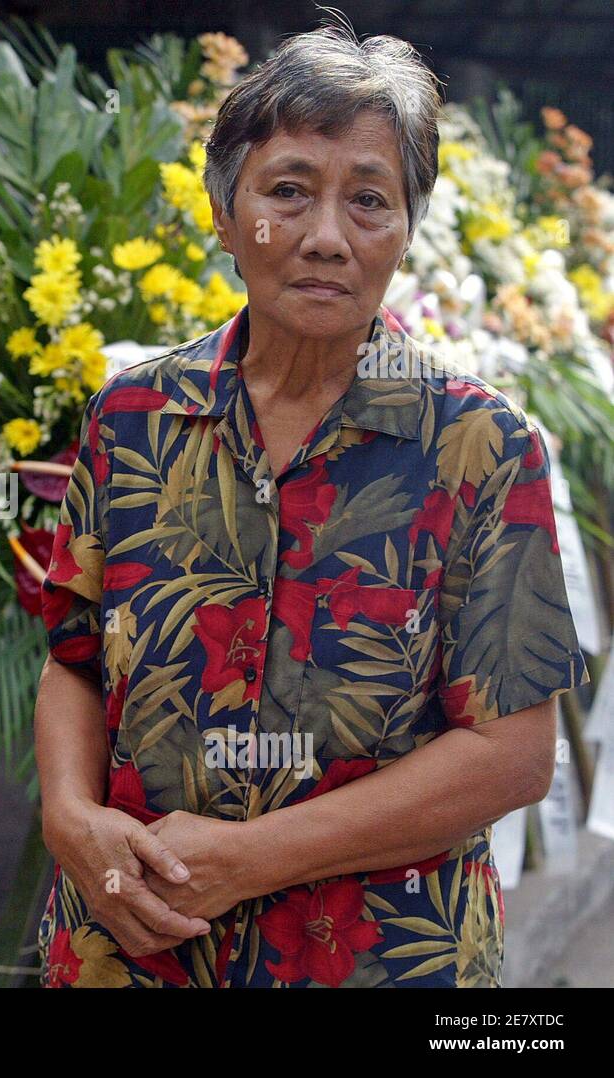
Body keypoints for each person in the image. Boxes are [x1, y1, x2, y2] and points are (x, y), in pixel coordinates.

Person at [34, 22, 590, 988]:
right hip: (130, 946)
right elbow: (76, 657)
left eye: (368, 199)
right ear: (225, 211)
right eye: (287, 190)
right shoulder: (133, 418)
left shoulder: (479, 448)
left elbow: (510, 757)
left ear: (408, 227)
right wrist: (69, 818)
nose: (326, 237)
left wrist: (251, 859)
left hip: (381, 958)